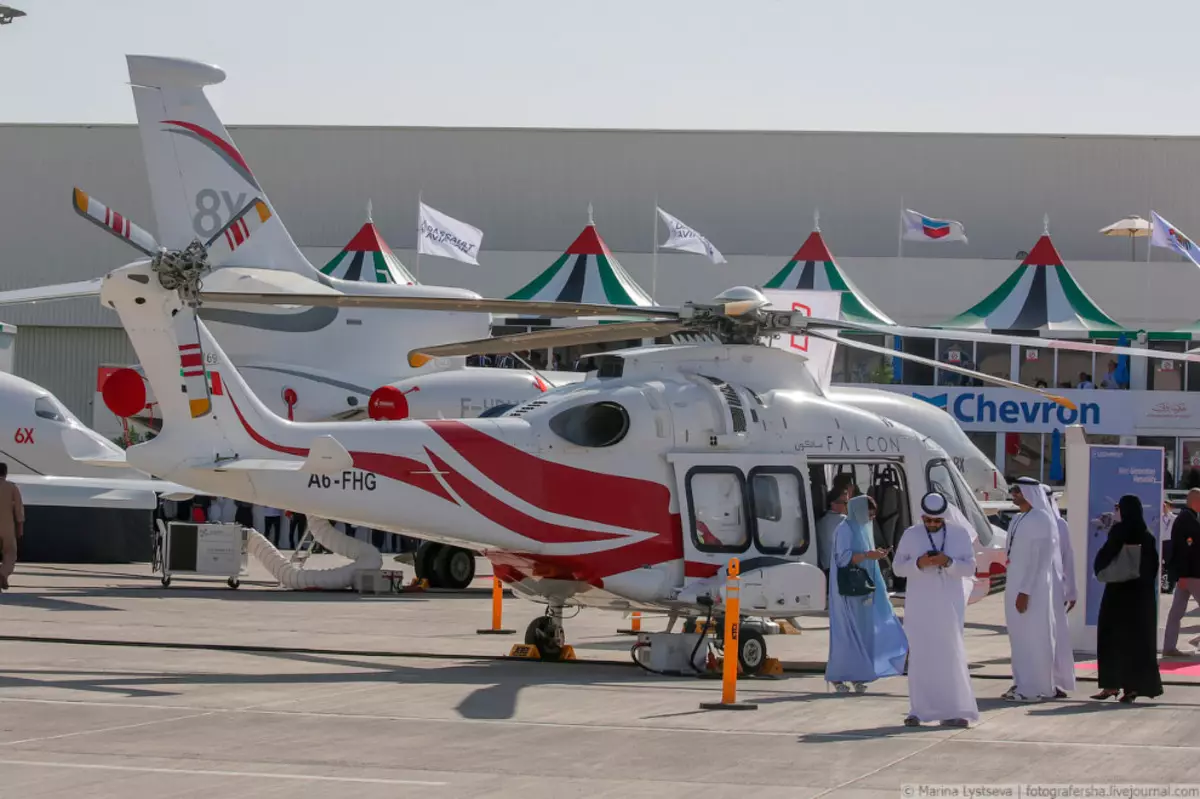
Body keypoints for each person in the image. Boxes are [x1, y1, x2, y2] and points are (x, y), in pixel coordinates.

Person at [892, 491, 979, 728]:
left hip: (949, 604)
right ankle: (919, 710)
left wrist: (947, 562)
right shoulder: (911, 535)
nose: (932, 525)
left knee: (949, 655)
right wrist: (918, 564)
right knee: (921, 656)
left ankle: (954, 710)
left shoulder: (959, 535)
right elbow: (898, 568)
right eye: (927, 520)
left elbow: (970, 567)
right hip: (920, 605)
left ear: (945, 518)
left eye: (936, 521)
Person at [825, 496, 908, 694]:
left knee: (862, 632)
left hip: (861, 590)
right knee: (847, 633)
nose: (870, 518)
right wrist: (868, 555)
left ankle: (858, 675)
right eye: (869, 514)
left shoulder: (861, 528)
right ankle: (838, 676)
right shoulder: (845, 528)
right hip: (846, 591)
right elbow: (843, 558)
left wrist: (874, 555)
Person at [1093, 495, 1163, 703]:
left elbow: (1104, 557)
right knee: (1137, 643)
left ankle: (1111, 685)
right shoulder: (1147, 535)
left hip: (1117, 595)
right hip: (1140, 598)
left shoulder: (1119, 531)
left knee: (1111, 639)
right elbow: (1153, 568)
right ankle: (1133, 689)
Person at [1002, 479, 1058, 702]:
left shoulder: (1042, 519)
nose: (1013, 495)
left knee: (1034, 636)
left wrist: (1025, 591)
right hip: (1014, 583)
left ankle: (1035, 687)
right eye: (1013, 491)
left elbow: (1040, 560)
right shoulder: (1017, 518)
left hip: (1032, 588)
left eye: (1017, 491)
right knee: (1018, 637)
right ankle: (1021, 683)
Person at [1044, 485, 1076, 697]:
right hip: (1031, 592)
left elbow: (1067, 559)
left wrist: (1071, 591)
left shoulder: (1060, 525)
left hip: (1054, 590)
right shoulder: (1023, 521)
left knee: (1055, 636)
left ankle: (1056, 681)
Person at [1163, 489, 1200, 656]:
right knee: (1176, 612)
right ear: (1195, 501)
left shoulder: (1188, 518)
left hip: (1188, 575)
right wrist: (1183, 575)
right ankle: (1171, 647)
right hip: (1192, 575)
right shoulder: (1188, 520)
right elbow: (1185, 549)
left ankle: (1169, 647)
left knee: (1176, 612)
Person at [0, 462, 24, 591]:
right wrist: (20, 526)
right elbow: (19, 509)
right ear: (5, 473)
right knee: (10, 552)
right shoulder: (12, 487)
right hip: (7, 525)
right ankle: (3, 573)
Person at [815, 488, 848, 575]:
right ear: (833, 503)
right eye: (845, 503)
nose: (847, 506)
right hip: (841, 570)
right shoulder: (844, 520)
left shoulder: (819, 522)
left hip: (825, 570)